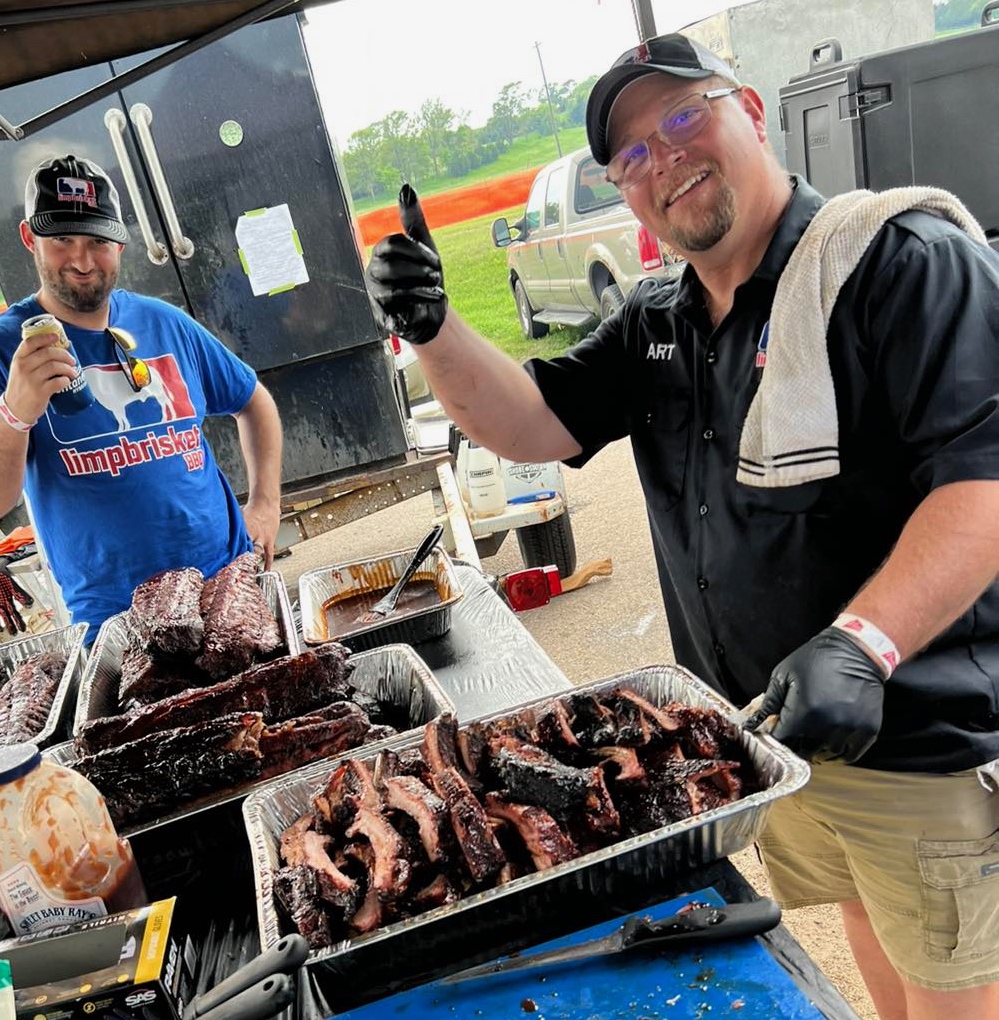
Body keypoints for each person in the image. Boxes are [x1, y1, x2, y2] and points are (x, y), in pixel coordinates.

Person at [365, 33, 999, 1020]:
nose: (662, 159)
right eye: (631, 155)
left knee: (953, 984)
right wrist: (436, 326)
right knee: (871, 924)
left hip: (910, 738)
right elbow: (530, 424)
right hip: (770, 736)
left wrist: (864, 643)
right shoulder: (657, 319)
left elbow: (985, 482)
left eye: (682, 118)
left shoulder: (900, 264)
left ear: (749, 109)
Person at [0, 154, 283, 642]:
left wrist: (266, 504)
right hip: (116, 622)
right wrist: (15, 410)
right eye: (62, 240)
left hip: (228, 589)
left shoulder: (165, 323)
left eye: (98, 242)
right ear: (30, 239)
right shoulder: (1, 349)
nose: (82, 261)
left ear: (120, 242)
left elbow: (254, 401)